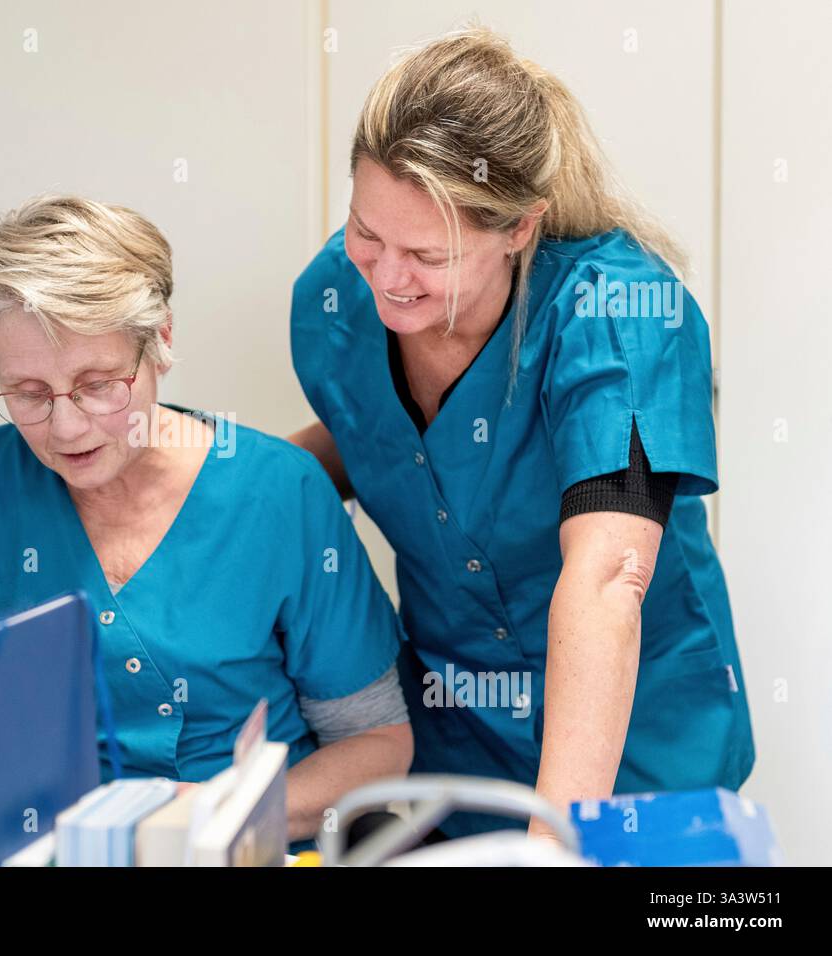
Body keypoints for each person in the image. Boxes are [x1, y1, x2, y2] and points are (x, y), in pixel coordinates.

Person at [288, 27, 754, 841]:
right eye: (368, 232)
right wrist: (214, 484)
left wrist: (554, 845)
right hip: (458, 737)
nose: (387, 279)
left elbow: (611, 574)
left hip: (644, 742)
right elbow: (381, 443)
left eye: (428, 254)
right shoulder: (333, 303)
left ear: (520, 227)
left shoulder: (615, 313)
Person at [0, 194, 412, 843]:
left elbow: (376, 743)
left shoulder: (281, 493)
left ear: (159, 341)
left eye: (98, 383)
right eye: (28, 394)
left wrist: (212, 812)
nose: (67, 425)